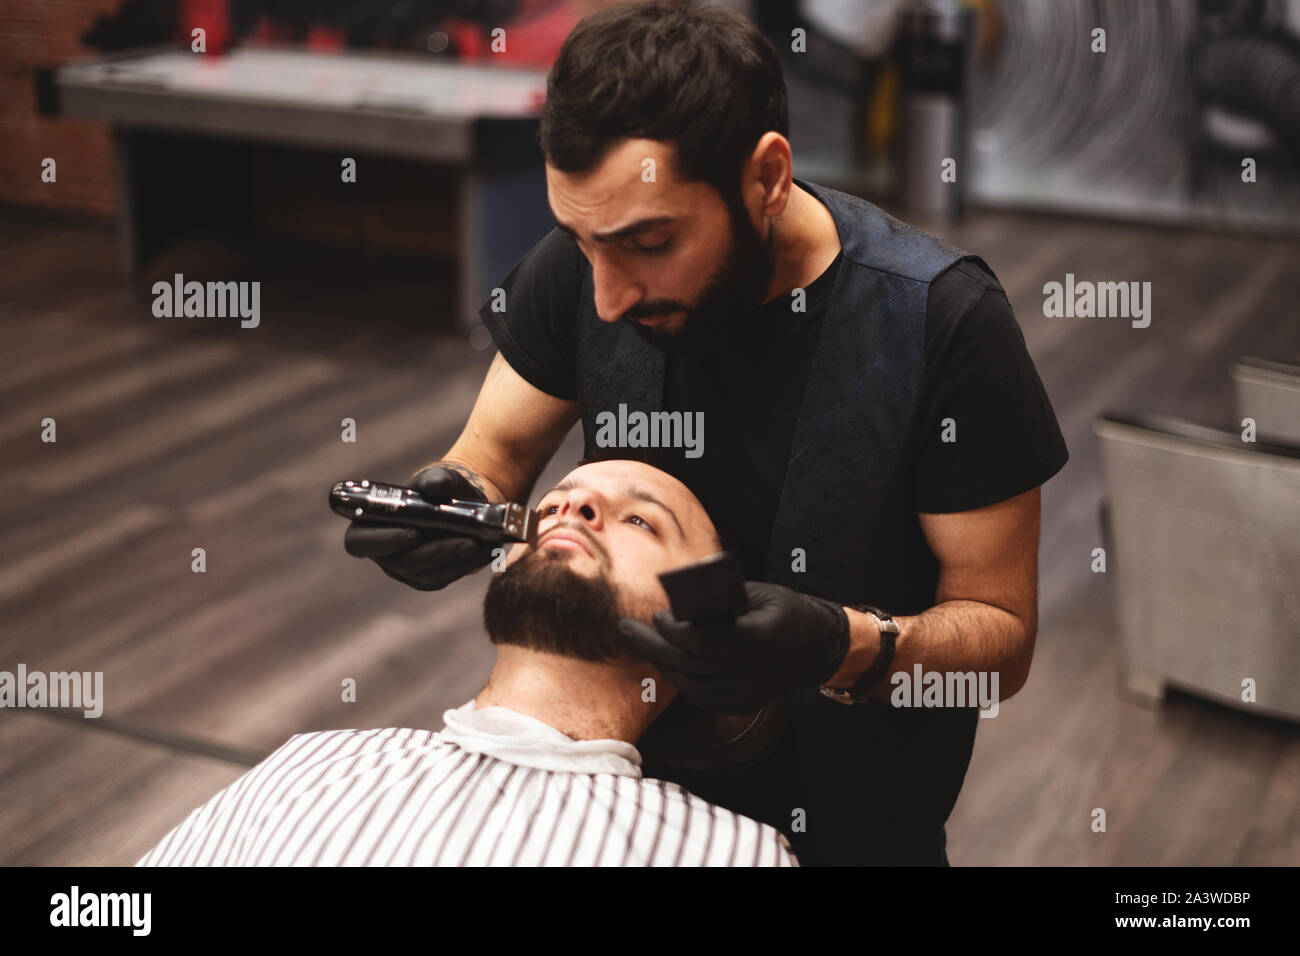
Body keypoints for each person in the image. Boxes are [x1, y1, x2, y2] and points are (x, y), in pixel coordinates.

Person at [344, 0, 1069, 866]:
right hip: (609, 807)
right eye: (582, 242)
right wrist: (453, 501)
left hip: (854, 832)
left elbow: (998, 642)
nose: (605, 297)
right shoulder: (588, 265)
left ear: (766, 176)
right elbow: (493, 457)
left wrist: (843, 646)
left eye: (650, 242)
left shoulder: (941, 325)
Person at [137, 459, 798, 867]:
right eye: (557, 503)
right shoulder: (313, 762)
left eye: (642, 523)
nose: (571, 508)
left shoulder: (732, 854)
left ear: (709, 623)